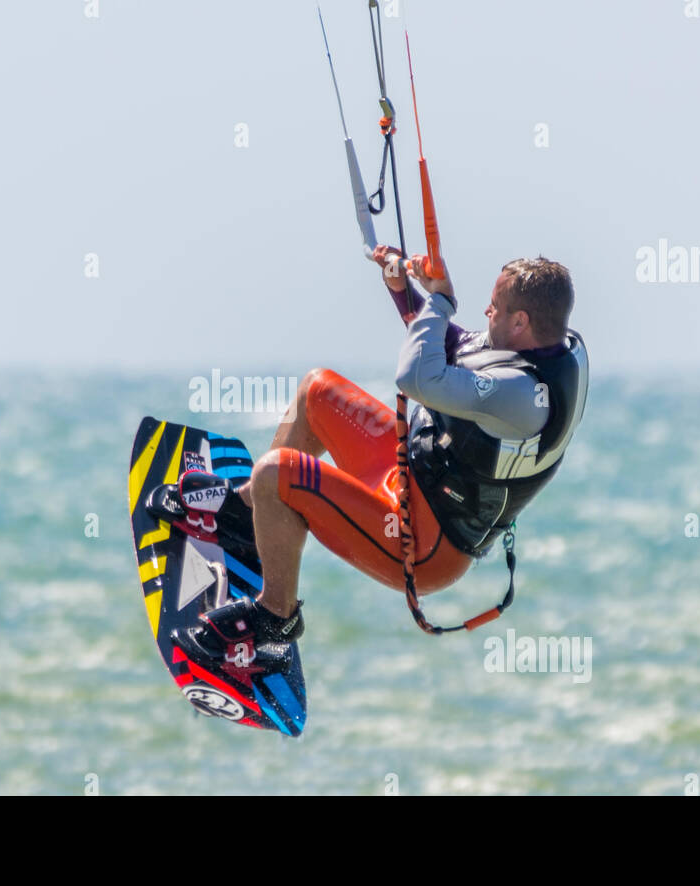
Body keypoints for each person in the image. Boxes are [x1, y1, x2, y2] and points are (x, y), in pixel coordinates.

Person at [168, 249, 589, 673]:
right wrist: (403, 289)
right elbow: (452, 343)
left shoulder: (521, 396)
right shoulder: (552, 347)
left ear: (521, 323)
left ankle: (276, 617)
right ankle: (248, 515)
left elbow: (416, 377)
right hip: (408, 475)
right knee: (317, 391)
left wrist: (441, 300)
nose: (486, 311)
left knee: (277, 473)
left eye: (494, 308)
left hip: (424, 544)